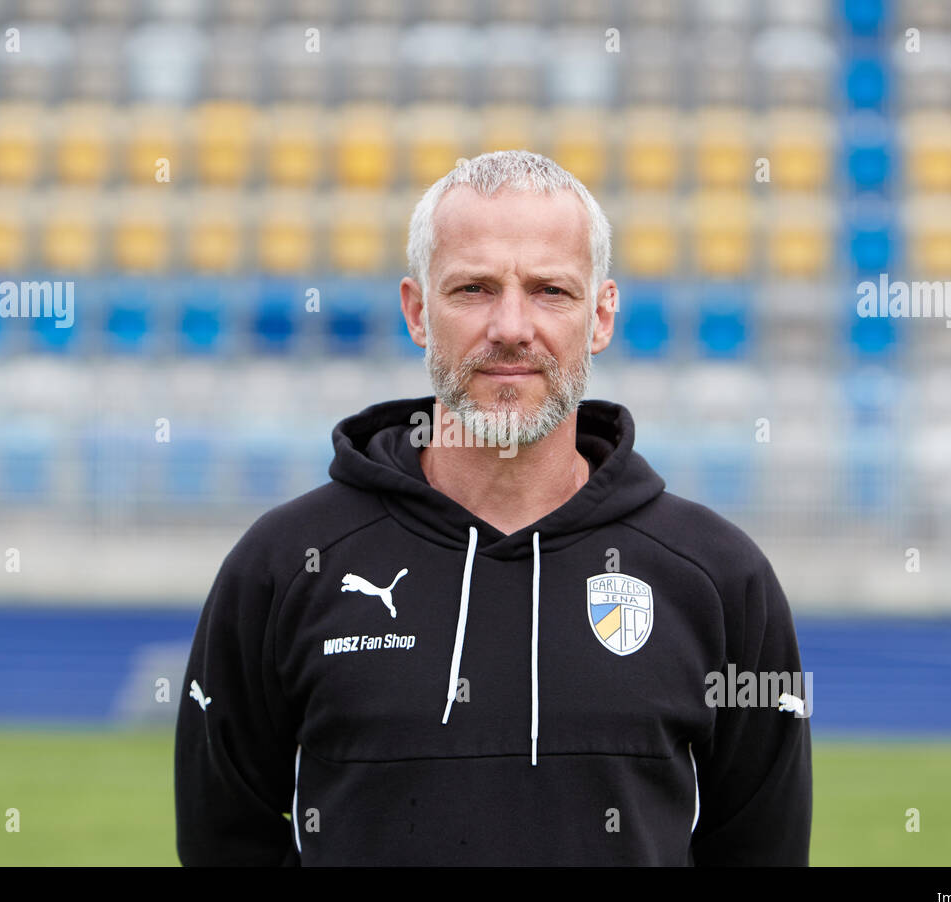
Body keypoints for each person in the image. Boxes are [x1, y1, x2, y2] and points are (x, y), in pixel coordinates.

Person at [175, 150, 811, 865]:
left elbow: (764, 850)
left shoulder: (719, 578)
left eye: (550, 291)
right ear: (418, 311)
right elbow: (223, 842)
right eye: (474, 289)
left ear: (601, 317)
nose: (511, 326)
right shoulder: (285, 564)